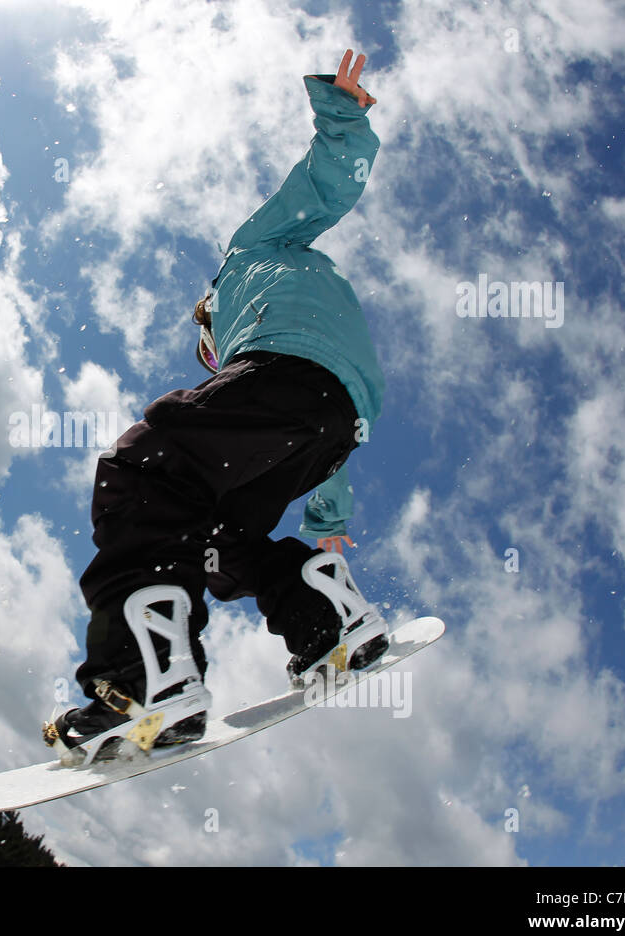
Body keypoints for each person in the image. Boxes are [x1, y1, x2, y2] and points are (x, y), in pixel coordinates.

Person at [45, 50, 391, 765]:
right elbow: (330, 446)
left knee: (145, 467)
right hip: (336, 413)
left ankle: (139, 688)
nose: (210, 362)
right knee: (222, 545)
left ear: (208, 316)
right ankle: (326, 616)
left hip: (293, 370)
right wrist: (330, 526)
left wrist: (342, 117)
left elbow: (321, 189)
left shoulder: (251, 253)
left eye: (209, 352)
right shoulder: (278, 352)